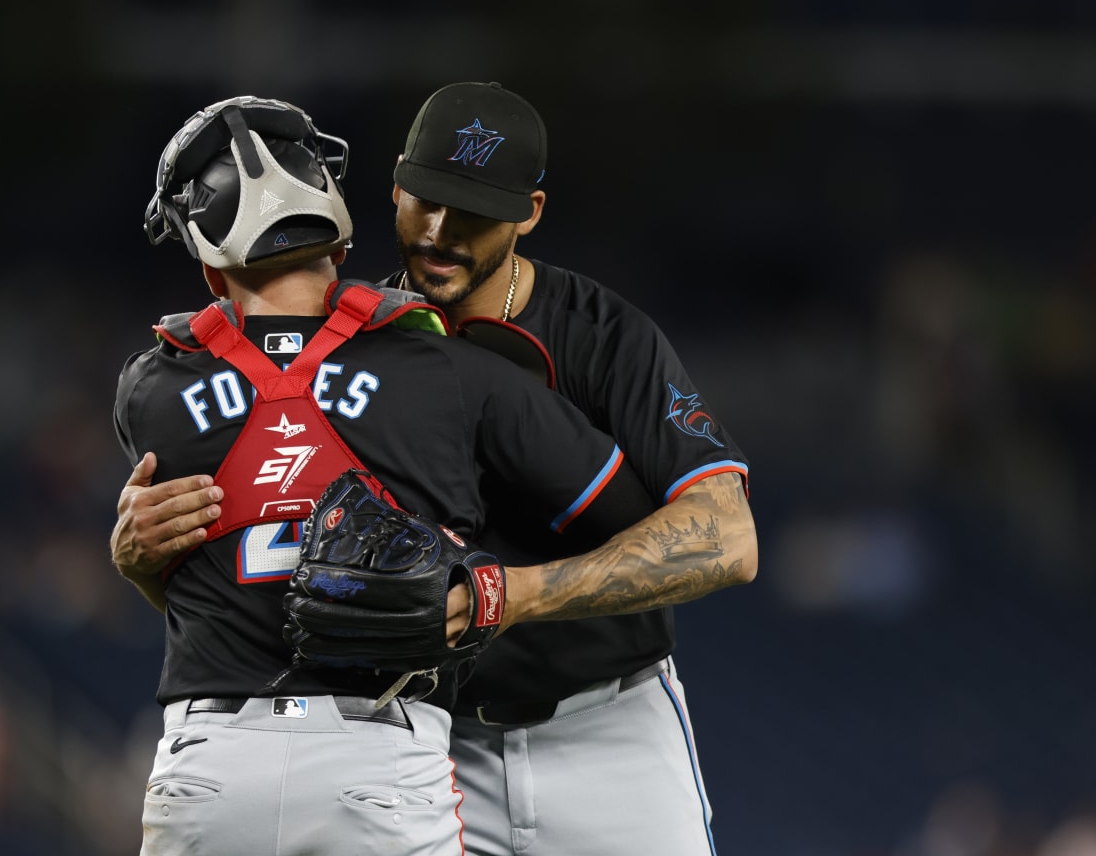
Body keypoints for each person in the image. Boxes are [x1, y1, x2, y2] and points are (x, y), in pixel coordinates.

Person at [113, 82, 759, 856]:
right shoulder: (359, 340)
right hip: (431, 740)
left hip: (604, 726)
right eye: (427, 200)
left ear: (530, 214)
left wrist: (511, 595)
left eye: (474, 211)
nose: (441, 233)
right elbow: (269, 601)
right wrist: (145, 563)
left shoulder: (602, 337)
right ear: (392, 188)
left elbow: (728, 539)